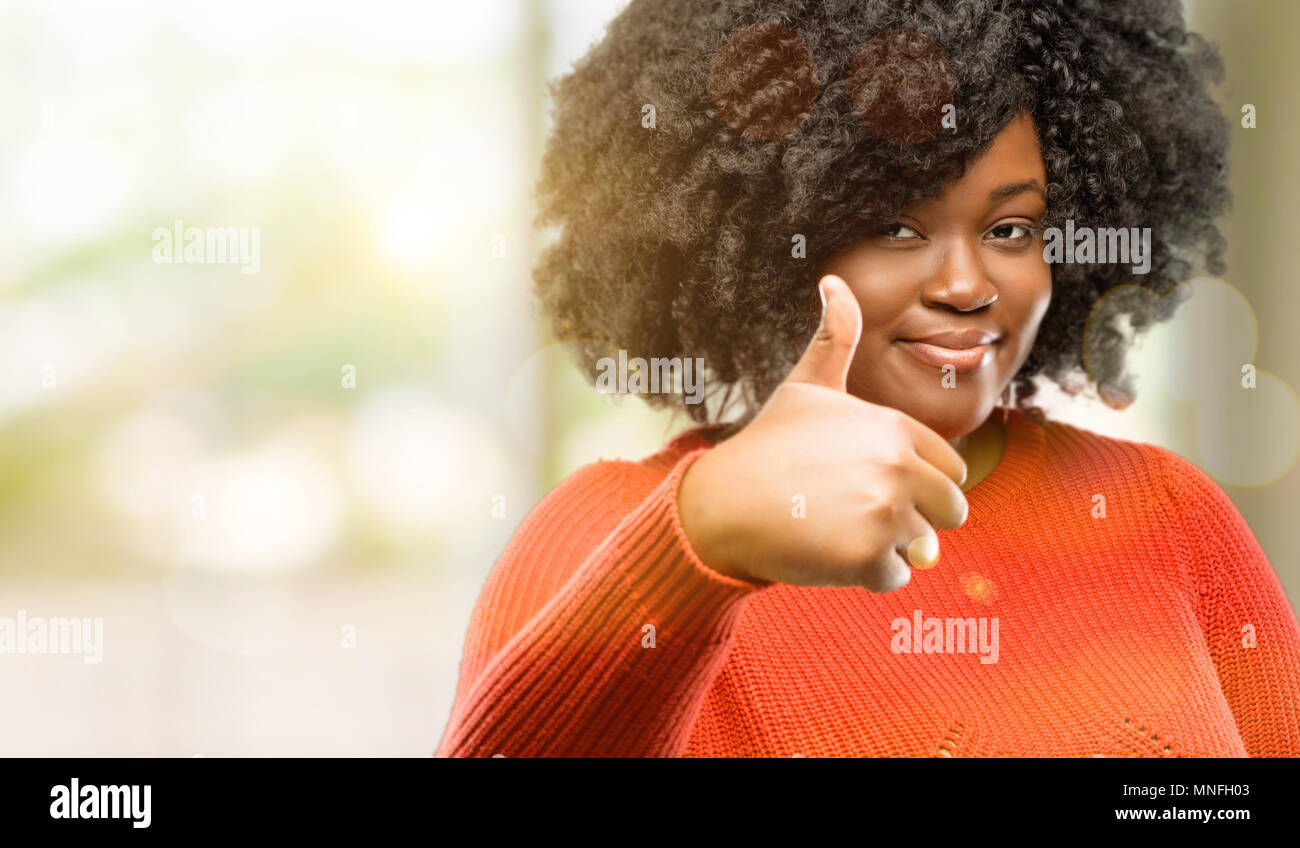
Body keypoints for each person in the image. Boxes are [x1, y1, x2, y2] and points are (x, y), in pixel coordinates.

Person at [436, 0, 1300, 756]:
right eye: (893, 224)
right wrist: (698, 546)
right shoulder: (607, 534)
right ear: (761, 241)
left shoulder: (1171, 518)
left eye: (1010, 229)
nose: (966, 286)